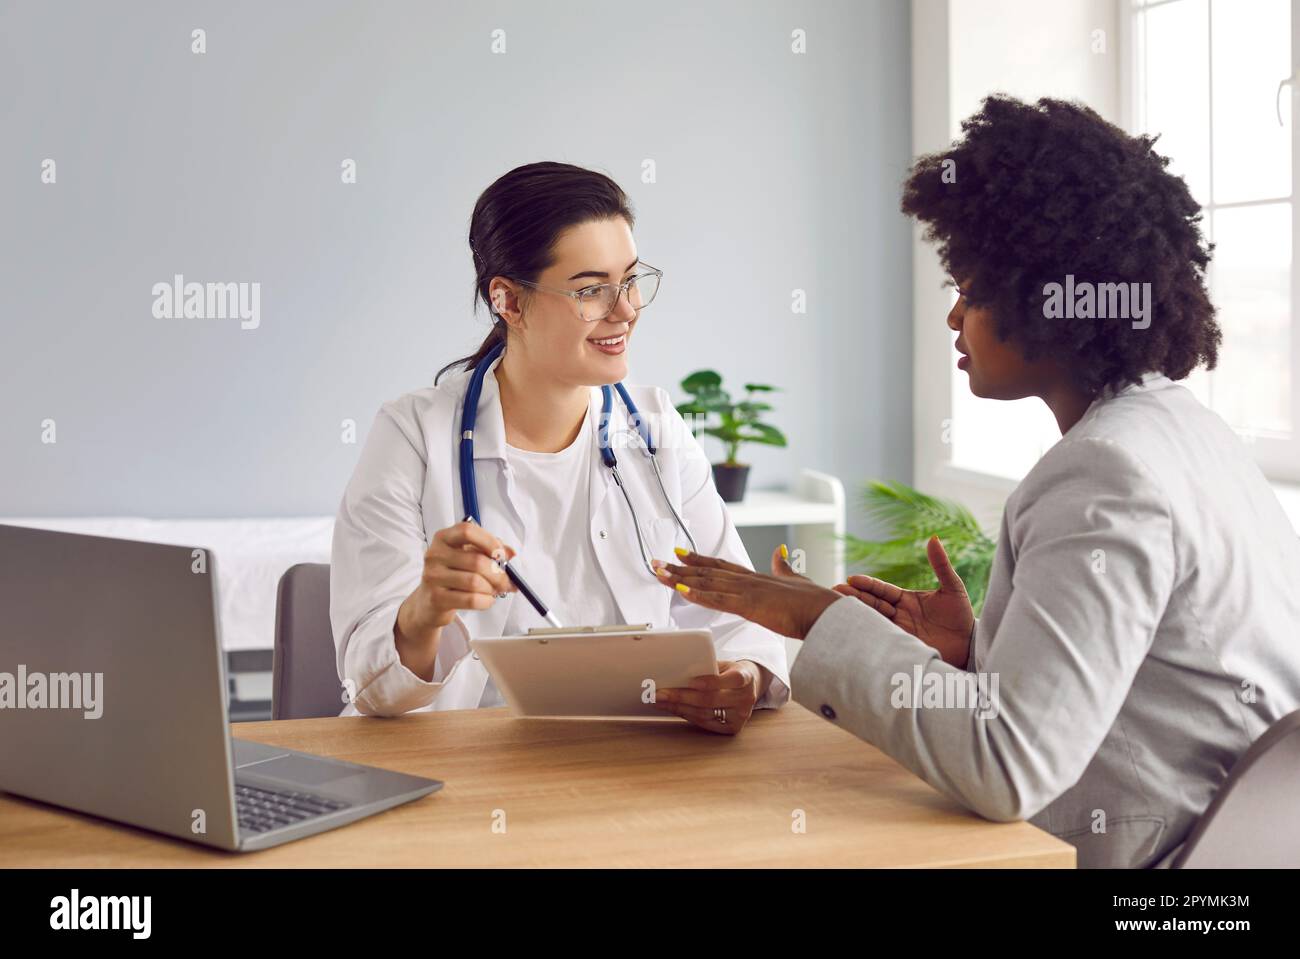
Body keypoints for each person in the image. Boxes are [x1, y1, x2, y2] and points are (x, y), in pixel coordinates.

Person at [651, 96, 1300, 865]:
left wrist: (820, 619)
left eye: (974, 288)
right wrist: (972, 658)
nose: (956, 316)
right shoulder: (1185, 431)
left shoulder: (1105, 474)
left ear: (1048, 297)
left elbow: (1008, 765)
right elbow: (1123, 699)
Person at [330, 161, 789, 732]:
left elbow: (737, 619)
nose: (625, 310)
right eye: (591, 290)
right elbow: (370, 689)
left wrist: (742, 675)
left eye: (630, 279)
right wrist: (423, 614)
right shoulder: (412, 436)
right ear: (509, 302)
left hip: (634, 768)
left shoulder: (655, 429)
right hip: (460, 775)